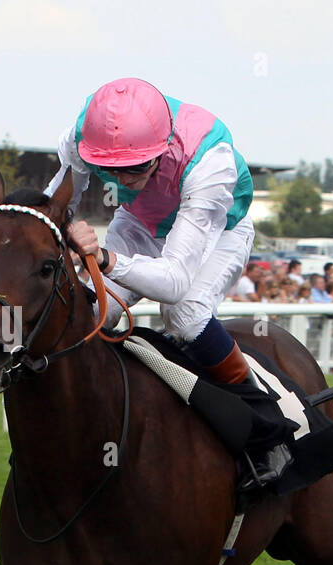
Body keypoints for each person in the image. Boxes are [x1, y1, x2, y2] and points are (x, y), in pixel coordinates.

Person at [47, 77, 260, 389]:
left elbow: (173, 283)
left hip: (219, 230)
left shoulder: (211, 160)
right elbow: (55, 207)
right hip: (140, 222)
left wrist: (102, 258)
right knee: (88, 311)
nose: (121, 179)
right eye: (108, 167)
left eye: (136, 166)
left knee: (184, 315)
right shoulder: (84, 136)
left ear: (164, 146)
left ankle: (259, 408)